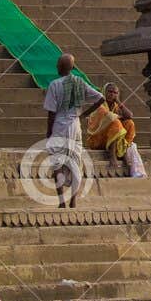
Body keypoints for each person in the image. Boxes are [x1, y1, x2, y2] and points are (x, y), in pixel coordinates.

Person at [42, 55, 102, 208]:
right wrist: (84, 114)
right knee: (76, 162)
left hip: (60, 125)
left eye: (57, 64)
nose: (56, 67)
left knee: (57, 164)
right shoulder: (80, 82)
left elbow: (51, 112)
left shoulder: (55, 85)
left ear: (61, 67)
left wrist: (48, 131)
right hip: (75, 125)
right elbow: (101, 98)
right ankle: (73, 200)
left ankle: (62, 201)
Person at [86, 82, 146, 178]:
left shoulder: (115, 106)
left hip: (108, 139)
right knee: (116, 123)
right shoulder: (99, 105)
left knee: (130, 123)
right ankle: (112, 156)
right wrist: (120, 117)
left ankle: (122, 151)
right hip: (96, 140)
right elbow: (109, 116)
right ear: (104, 92)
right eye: (110, 91)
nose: (112, 94)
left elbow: (130, 116)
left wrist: (118, 102)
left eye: (115, 93)